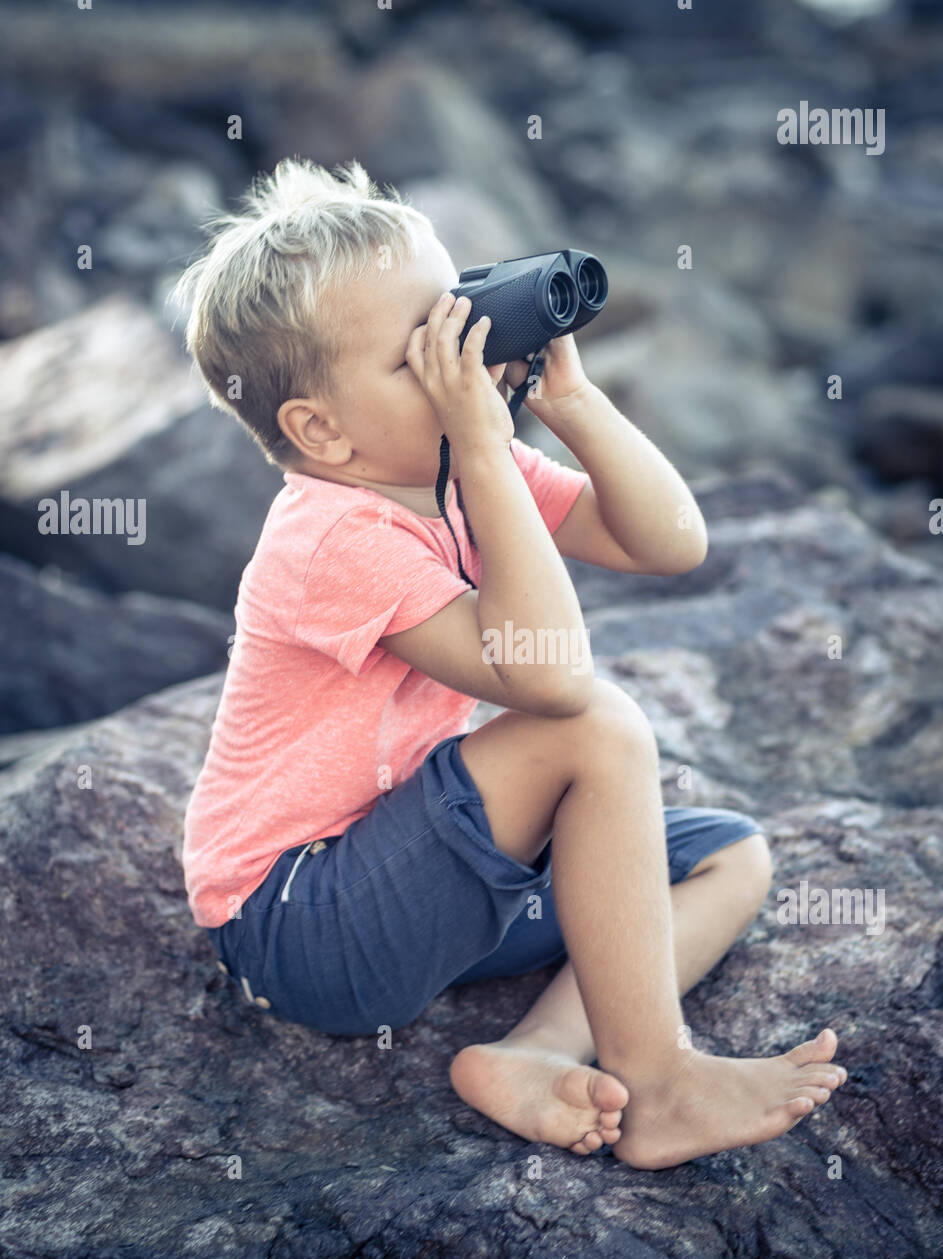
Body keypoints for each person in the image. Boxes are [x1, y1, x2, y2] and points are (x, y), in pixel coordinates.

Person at [175, 157, 846, 1170]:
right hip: (304, 923)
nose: (463, 361)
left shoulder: (448, 469)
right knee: (597, 730)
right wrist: (487, 451)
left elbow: (669, 542)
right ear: (320, 431)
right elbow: (552, 681)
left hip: (426, 883)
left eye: (459, 318)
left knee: (725, 856)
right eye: (420, 356)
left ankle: (529, 1053)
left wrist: (569, 401)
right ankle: (658, 1080)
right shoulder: (329, 537)